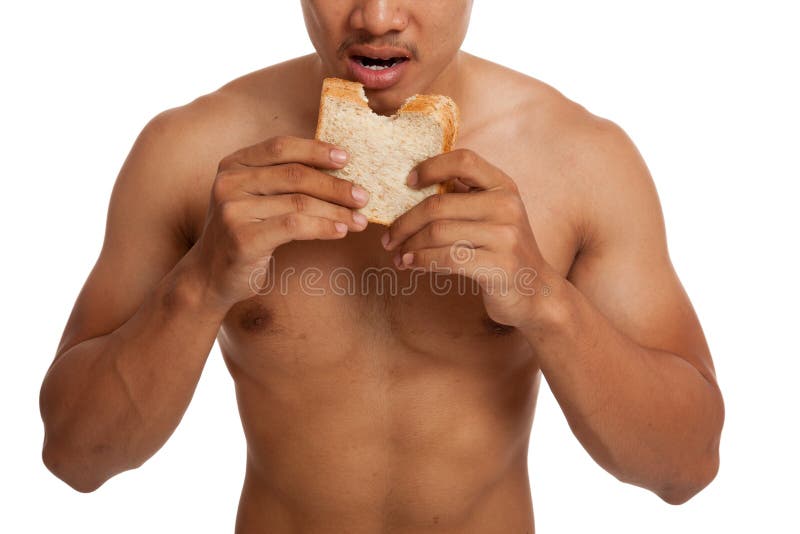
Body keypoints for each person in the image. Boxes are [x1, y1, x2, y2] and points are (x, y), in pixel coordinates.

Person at [39, 1, 724, 532]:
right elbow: (75, 456)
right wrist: (201, 283)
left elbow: (685, 466)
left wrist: (542, 298)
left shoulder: (581, 160)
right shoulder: (190, 152)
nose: (376, 16)